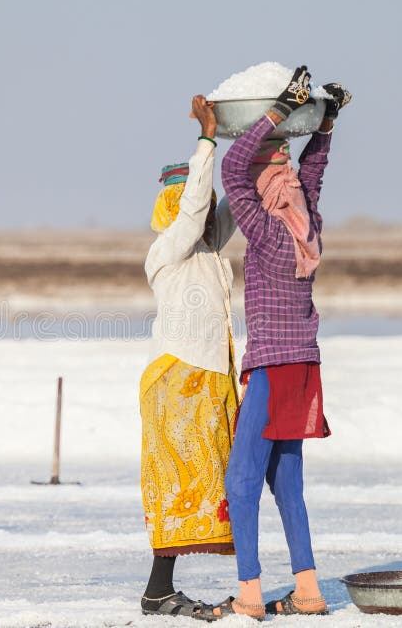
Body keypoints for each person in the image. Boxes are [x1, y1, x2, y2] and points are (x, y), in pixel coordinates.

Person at [216, 66, 352, 619]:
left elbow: (231, 168)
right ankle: (308, 591)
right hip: (304, 369)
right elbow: (311, 173)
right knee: (286, 481)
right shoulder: (305, 222)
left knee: (242, 479)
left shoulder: (269, 230)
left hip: (272, 366)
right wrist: (326, 123)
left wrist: (279, 110)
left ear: (265, 189)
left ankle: (249, 595)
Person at [138, 95, 239, 620]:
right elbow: (198, 206)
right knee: (180, 483)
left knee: (212, 481)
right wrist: (207, 138)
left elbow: (230, 204)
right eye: (192, 201)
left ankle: (161, 590)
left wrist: (263, 142)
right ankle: (158, 591)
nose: (201, 207)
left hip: (207, 376)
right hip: (178, 378)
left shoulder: (206, 249)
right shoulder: (168, 248)